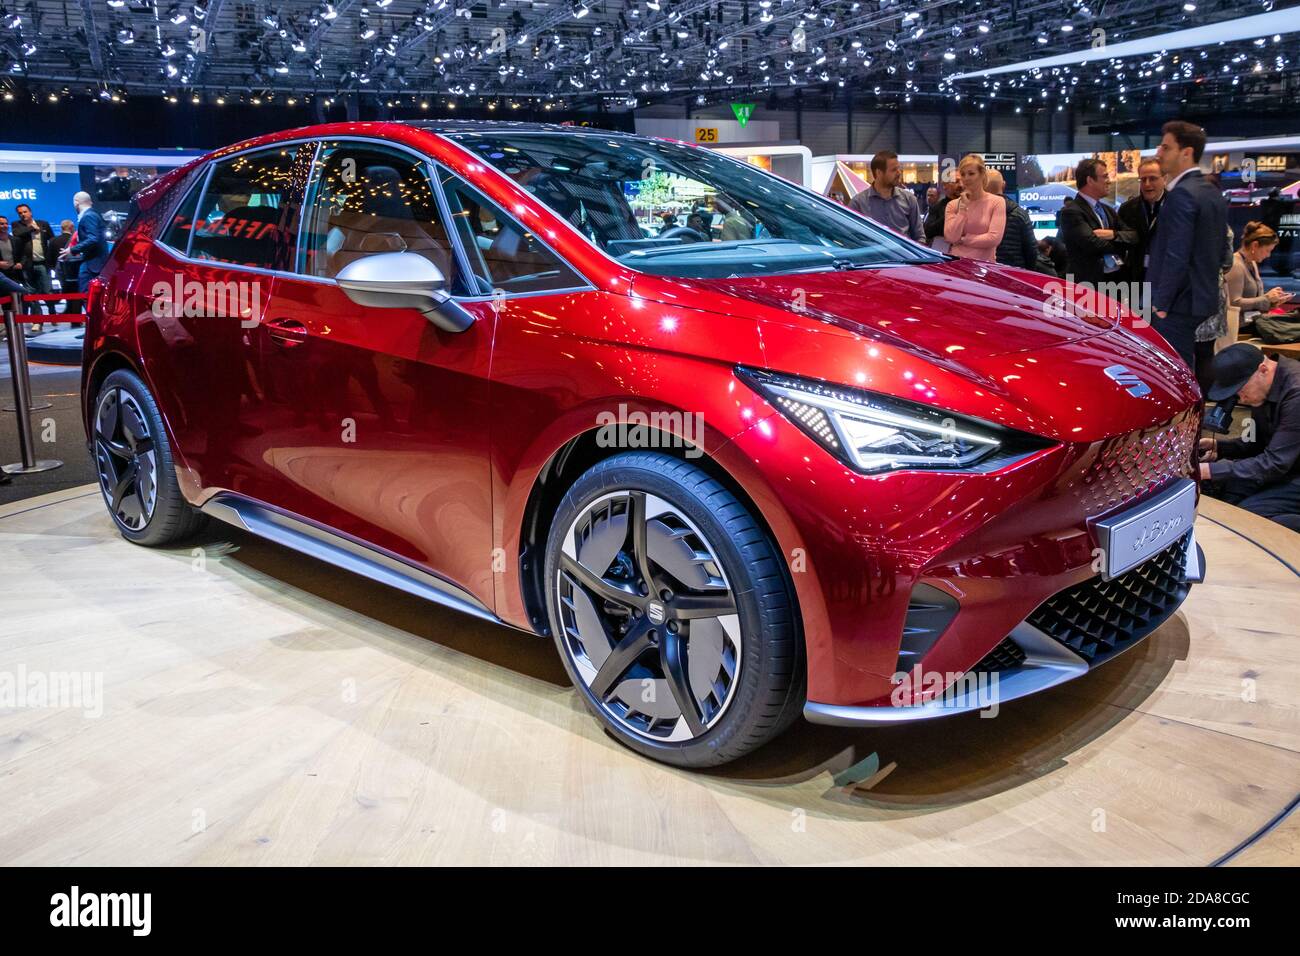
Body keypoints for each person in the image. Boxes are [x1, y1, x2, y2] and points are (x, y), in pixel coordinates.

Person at [1147, 120, 1228, 369]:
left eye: (1166, 147)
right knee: (1186, 365)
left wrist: (1161, 303)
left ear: (1187, 152)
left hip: (1178, 303)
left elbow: (1176, 254)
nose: (1159, 153)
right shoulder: (1209, 192)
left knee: (1176, 369)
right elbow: (1221, 250)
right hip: (1199, 297)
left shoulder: (1183, 194)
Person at [1199, 343, 1300, 525]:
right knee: (1228, 495)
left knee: (1245, 519)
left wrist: (1208, 470)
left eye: (1240, 388)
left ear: (1263, 370)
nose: (1239, 397)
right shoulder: (1264, 389)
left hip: (1291, 471)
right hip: (1287, 465)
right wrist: (1219, 447)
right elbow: (1256, 442)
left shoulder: (1296, 394)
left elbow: (1274, 463)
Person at [1058, 157, 1132, 286]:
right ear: (1090, 180)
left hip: (1116, 281)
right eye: (1105, 176)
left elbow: (1133, 236)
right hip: (1088, 284)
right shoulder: (1071, 212)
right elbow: (1093, 245)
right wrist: (1121, 244)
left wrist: (1113, 235)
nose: (1109, 181)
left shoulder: (1108, 210)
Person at [1227, 222, 1292, 336]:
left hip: (1253, 322)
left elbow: (1256, 301)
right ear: (1255, 245)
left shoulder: (1252, 263)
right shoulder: (1236, 265)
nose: (1268, 255)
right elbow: (1234, 303)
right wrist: (1266, 299)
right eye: (1267, 250)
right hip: (1241, 327)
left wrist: (1272, 303)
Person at [1192, 226, 1236, 393]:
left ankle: (1186, 400)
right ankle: (1204, 400)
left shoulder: (1180, 218)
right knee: (1206, 353)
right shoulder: (1223, 228)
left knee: (1181, 353)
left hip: (1183, 293)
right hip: (1211, 290)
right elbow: (1227, 263)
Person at [849, 149, 925, 243]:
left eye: (899, 168)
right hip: (873, 256)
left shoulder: (909, 199)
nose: (899, 173)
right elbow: (851, 238)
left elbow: (920, 237)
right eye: (894, 170)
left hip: (905, 256)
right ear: (879, 173)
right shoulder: (858, 203)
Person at [942, 154, 1006, 261]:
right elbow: (951, 237)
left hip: (984, 266)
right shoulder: (952, 205)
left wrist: (963, 239)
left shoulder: (997, 202)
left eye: (971, 173)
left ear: (982, 174)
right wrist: (962, 210)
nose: (966, 178)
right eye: (963, 174)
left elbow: (993, 238)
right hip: (958, 265)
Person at [1116, 157, 1165, 284]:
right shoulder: (1127, 209)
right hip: (1134, 278)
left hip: (1165, 279)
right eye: (1143, 179)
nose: (1147, 184)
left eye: (1153, 178)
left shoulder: (1176, 206)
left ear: (1164, 178)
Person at [12, 203, 55, 329]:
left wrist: (52, 261)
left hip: (43, 263)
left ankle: (52, 314)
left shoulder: (43, 224)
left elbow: (51, 241)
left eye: (25, 212)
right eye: (20, 213)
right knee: (31, 294)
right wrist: (32, 228)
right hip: (27, 265)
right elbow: (17, 234)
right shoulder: (17, 225)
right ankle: (37, 321)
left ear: (30, 212)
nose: (22, 214)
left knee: (48, 291)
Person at [59, 191, 109, 294]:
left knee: (87, 293)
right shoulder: (93, 214)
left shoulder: (88, 216)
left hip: (93, 263)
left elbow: (93, 238)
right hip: (94, 262)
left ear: (76, 202)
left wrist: (72, 249)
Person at [985, 169, 1038, 269]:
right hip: (1015, 275)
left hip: (986, 274)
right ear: (1003, 185)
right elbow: (1031, 251)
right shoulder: (1020, 213)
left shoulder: (976, 214)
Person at [46, 219, 80, 314]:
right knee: (76, 291)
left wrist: (53, 268)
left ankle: (69, 309)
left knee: (66, 290)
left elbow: (49, 258)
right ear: (72, 228)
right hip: (74, 270)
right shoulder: (76, 241)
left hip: (60, 271)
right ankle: (75, 313)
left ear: (62, 228)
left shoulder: (53, 241)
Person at [924, 179, 961, 248]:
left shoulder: (968, 203)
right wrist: (948, 216)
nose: (960, 185)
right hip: (945, 249)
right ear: (945, 186)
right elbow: (927, 231)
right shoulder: (937, 207)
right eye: (955, 182)